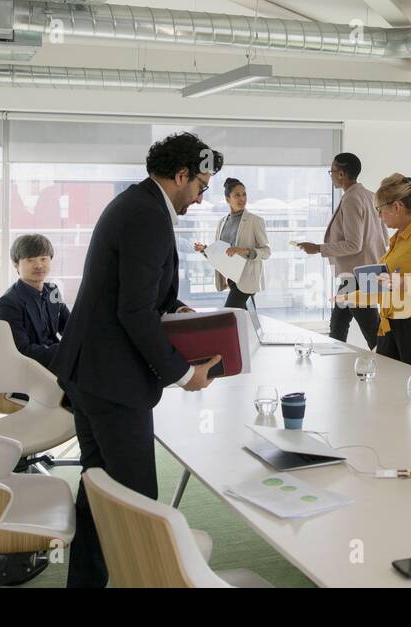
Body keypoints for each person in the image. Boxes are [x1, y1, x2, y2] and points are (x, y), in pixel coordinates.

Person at [50, 132, 224, 588]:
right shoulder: (149, 216)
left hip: (88, 372)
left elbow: (132, 295)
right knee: (137, 504)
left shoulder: (134, 203)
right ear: (182, 175)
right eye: (202, 186)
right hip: (112, 380)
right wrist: (184, 373)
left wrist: (173, 309)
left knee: (99, 492)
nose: (202, 198)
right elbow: (131, 310)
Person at [339, 173, 411, 372]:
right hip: (391, 325)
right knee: (386, 385)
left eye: (380, 210)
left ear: (397, 207)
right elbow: (386, 287)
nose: (379, 216)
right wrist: (350, 297)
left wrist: (403, 283)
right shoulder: (397, 240)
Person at [297, 152, 386, 348]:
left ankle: (391, 367)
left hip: (359, 276)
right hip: (363, 273)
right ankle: (337, 365)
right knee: (338, 324)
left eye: (332, 171)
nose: (330, 174)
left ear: (342, 174)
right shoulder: (369, 195)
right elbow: (383, 236)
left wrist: (318, 248)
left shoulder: (352, 199)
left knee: (372, 331)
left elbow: (354, 244)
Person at [193, 177, 271, 310]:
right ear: (228, 199)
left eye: (244, 194)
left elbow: (266, 252)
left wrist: (243, 251)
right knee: (246, 318)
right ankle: (253, 331)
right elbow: (220, 253)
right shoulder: (222, 222)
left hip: (247, 279)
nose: (242, 199)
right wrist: (204, 249)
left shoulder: (255, 221)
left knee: (229, 313)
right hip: (231, 279)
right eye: (237, 195)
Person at [0, 234, 70, 369]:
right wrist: (66, 351)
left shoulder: (53, 291)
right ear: (16, 264)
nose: (39, 265)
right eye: (30, 260)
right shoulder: (8, 302)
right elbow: (21, 350)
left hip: (58, 362)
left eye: (44, 259)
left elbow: (70, 327)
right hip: (32, 370)